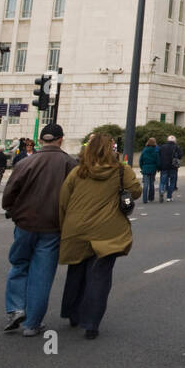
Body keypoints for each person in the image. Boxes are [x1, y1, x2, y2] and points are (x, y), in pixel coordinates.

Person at [58, 131, 141, 339]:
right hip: (108, 230)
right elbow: (136, 191)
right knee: (100, 276)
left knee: (76, 270)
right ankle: (91, 323)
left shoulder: (77, 172)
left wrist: (64, 227)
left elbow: (63, 200)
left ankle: (73, 312)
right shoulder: (121, 170)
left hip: (77, 228)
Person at [1, 123, 79, 336]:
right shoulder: (69, 164)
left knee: (19, 265)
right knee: (42, 274)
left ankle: (16, 308)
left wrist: (14, 212)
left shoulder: (27, 162)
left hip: (25, 223)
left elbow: (9, 194)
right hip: (52, 226)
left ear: (41, 140)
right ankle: (32, 323)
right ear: (60, 139)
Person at [158, 135, 181, 201]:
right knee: (172, 182)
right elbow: (180, 156)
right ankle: (169, 196)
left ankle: (162, 191)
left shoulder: (162, 147)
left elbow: (159, 156)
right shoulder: (177, 147)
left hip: (164, 167)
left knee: (163, 181)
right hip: (173, 167)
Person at [139, 138, 159, 203]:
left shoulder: (144, 150)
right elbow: (157, 161)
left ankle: (144, 199)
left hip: (145, 168)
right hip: (153, 168)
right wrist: (158, 168)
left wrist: (142, 167)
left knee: (145, 184)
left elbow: (140, 160)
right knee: (151, 183)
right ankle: (151, 198)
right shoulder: (155, 151)